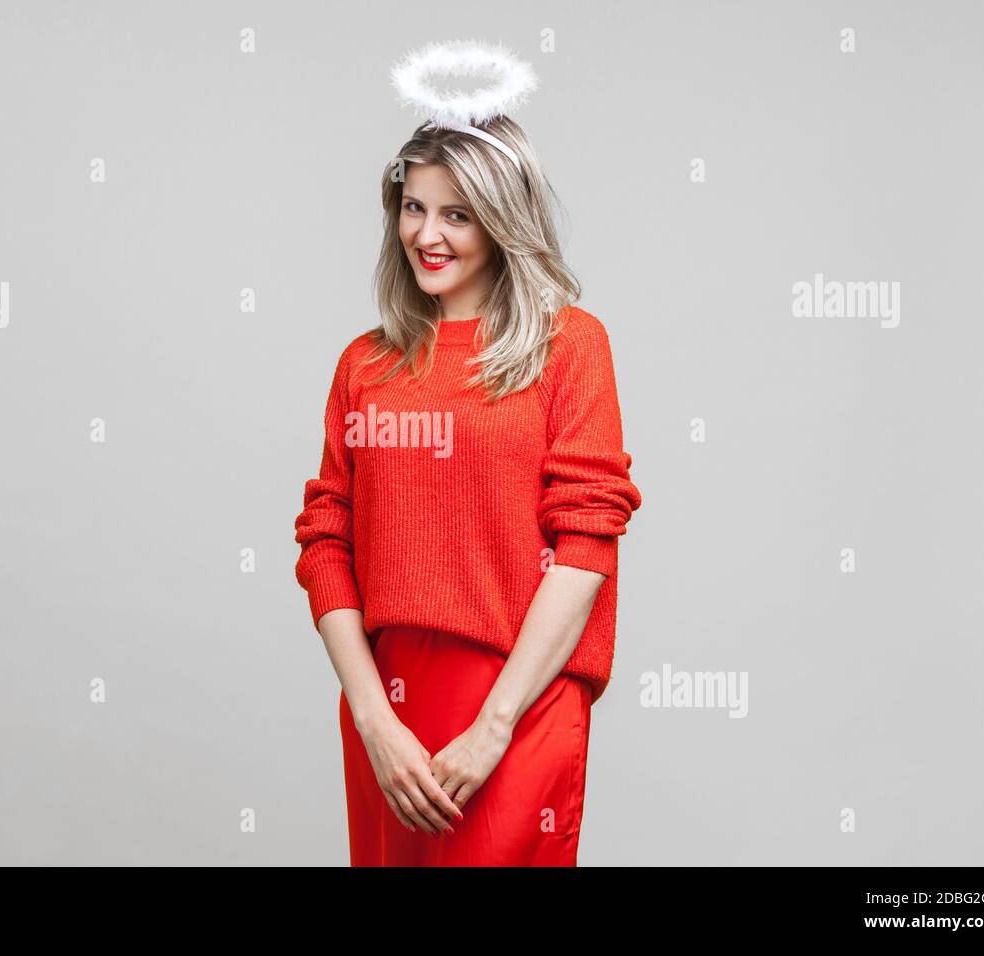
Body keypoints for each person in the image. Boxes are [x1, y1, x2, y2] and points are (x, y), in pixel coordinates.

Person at [293, 61, 642, 866]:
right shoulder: (364, 365)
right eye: (413, 207)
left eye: (457, 214)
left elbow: (588, 540)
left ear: (500, 222)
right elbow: (326, 544)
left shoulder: (570, 347)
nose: (428, 234)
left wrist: (494, 728)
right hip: (389, 709)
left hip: (519, 702)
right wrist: (374, 720)